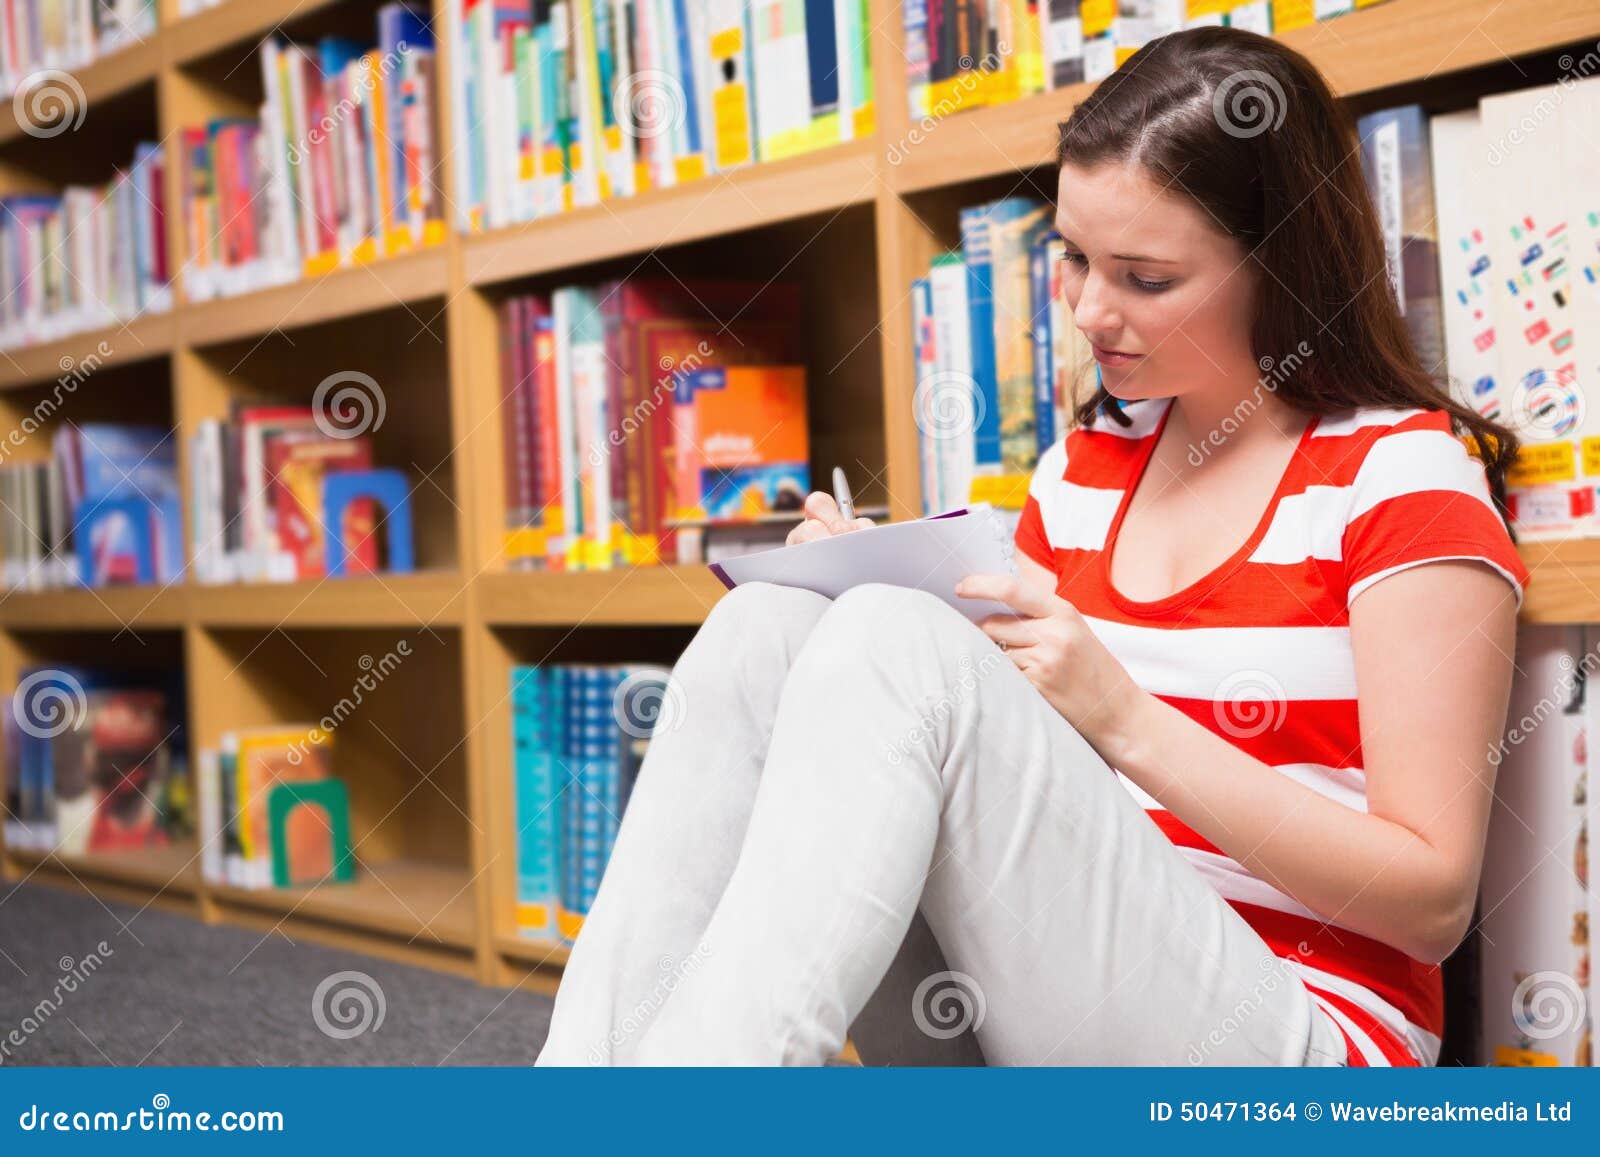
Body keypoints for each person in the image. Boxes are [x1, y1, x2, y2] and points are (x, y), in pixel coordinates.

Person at [534, 24, 1528, 1066]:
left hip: (1297, 1043)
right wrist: (866, 582)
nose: (1092, 310)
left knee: (892, 640)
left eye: (1145, 277)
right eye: (1074, 260)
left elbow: (1430, 900)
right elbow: (1015, 767)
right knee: (769, 622)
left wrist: (1124, 718)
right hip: (1052, 1003)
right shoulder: (1087, 468)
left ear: (1275, 263)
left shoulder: (1401, 476)